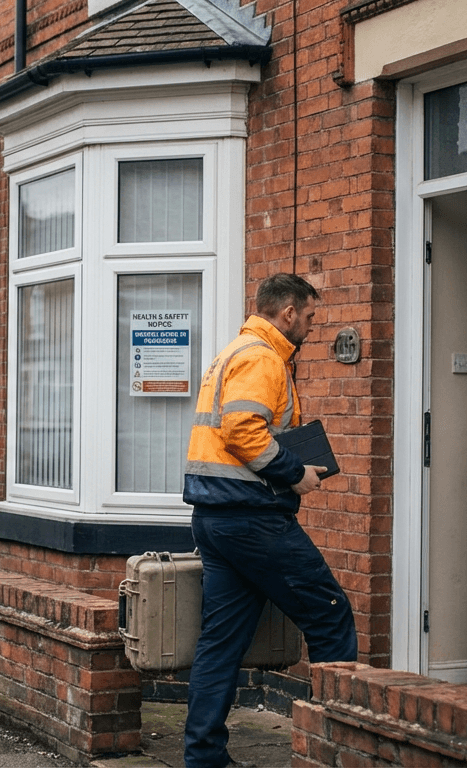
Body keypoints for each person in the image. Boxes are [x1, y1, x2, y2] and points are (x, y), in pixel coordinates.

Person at [182, 273, 358, 768]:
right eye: (308, 317)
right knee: (330, 617)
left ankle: (204, 758)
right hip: (253, 521)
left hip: (216, 518)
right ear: (286, 313)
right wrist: (294, 471)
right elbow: (242, 429)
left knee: (221, 641)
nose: (311, 326)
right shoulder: (262, 358)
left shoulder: (233, 352)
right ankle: (334, 751)